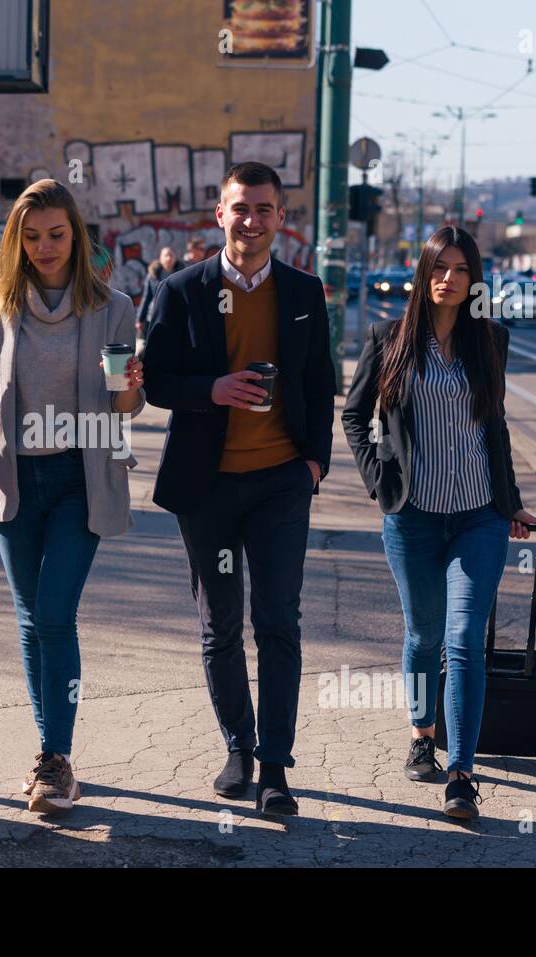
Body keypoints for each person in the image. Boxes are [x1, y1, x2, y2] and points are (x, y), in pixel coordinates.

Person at [141, 161, 335, 817]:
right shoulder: (182, 289)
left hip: (282, 482)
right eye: (239, 208)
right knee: (219, 625)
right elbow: (156, 383)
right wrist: (212, 391)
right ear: (218, 215)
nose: (251, 220)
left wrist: (314, 466)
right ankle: (238, 748)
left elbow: (319, 384)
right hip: (207, 488)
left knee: (278, 621)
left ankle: (276, 766)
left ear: (281, 218)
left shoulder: (305, 291)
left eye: (264, 209)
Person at [341, 225, 536, 822]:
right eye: (439, 267)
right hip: (411, 515)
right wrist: (379, 481)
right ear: (423, 273)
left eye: (460, 269)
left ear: (473, 277)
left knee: (462, 641)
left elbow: (497, 426)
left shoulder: (492, 340)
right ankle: (420, 734)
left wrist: (509, 503)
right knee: (422, 637)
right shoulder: (389, 339)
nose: (449, 279)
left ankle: (461, 772)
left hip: (479, 516)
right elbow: (355, 416)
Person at [0, 179, 146, 815]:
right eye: (31, 236)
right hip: (14, 478)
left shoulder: (113, 307)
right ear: (17, 240)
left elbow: (128, 406)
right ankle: (50, 750)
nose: (45, 247)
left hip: (79, 477)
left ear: (77, 235)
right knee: (31, 618)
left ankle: (56, 758)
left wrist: (127, 388)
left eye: (56, 235)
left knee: (55, 614)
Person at [135, 245, 182, 344]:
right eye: (166, 255)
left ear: (175, 258)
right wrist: (140, 319)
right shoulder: (153, 275)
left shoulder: (181, 274)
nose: (169, 258)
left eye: (171, 255)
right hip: (154, 316)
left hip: (175, 316)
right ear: (160, 258)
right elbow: (146, 297)